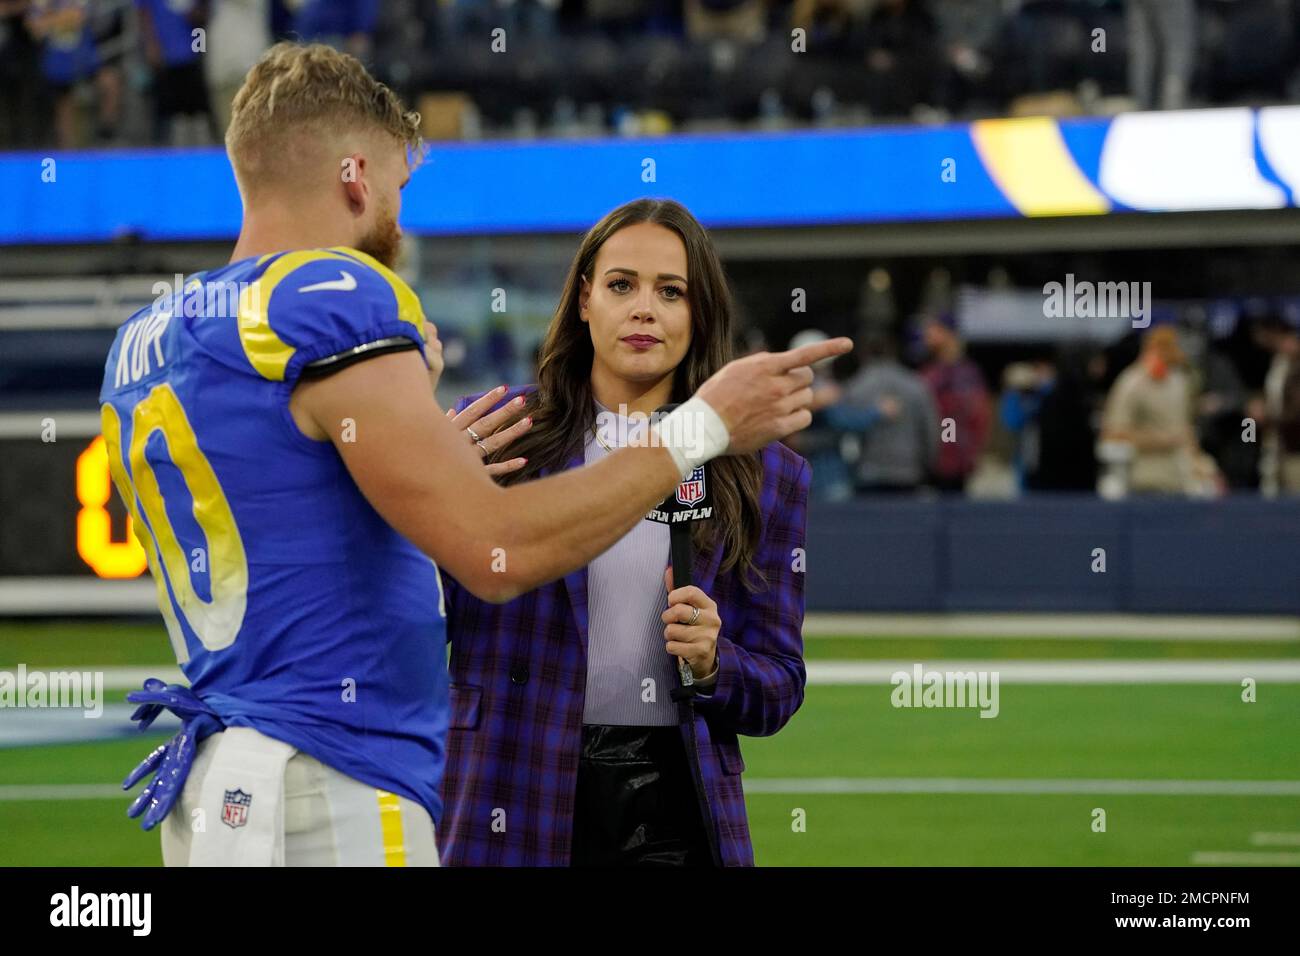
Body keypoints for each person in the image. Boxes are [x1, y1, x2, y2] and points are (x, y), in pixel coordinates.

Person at [100, 42, 849, 867]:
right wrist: (700, 427)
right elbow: (500, 555)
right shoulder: (336, 301)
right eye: (397, 183)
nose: (398, 209)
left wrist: (417, 467)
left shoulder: (148, 337)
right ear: (355, 177)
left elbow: (312, 532)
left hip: (222, 780)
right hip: (334, 780)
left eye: (672, 291)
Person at [437, 198, 809, 867]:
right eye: (621, 285)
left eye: (671, 291)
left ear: (701, 314)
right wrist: (434, 499)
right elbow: (400, 615)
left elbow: (780, 685)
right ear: (584, 300)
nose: (645, 309)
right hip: (511, 781)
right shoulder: (495, 430)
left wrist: (716, 662)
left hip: (679, 803)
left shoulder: (767, 470)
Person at [1100, 325, 1197, 495]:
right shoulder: (1131, 383)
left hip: (1182, 478)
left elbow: (1186, 429)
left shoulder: (1179, 381)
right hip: (1145, 479)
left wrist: (1198, 462)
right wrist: (1161, 439)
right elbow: (1113, 432)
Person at [918, 312, 990, 493]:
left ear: (948, 334)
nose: (927, 335)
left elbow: (971, 418)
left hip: (952, 464)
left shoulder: (964, 374)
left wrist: (954, 457)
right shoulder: (931, 371)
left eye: (933, 330)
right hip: (930, 461)